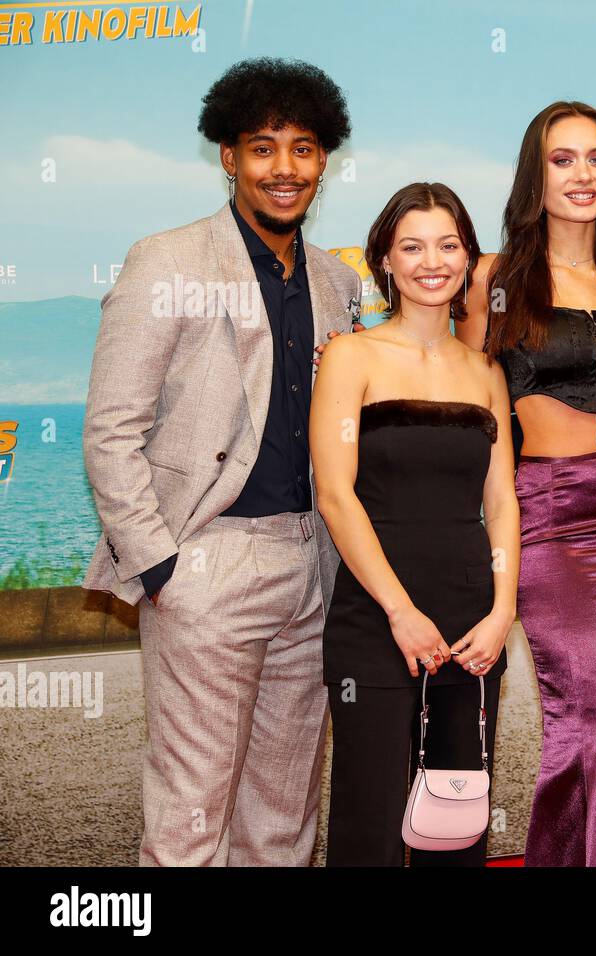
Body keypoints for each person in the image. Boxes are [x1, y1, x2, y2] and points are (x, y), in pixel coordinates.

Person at [81, 58, 359, 865]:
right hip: (206, 561)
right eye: (263, 148)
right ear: (229, 157)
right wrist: (165, 569)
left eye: (303, 150)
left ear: (323, 161)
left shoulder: (336, 280)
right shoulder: (167, 263)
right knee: (190, 818)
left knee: (284, 817)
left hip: (312, 562)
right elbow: (109, 433)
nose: (285, 168)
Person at [454, 101, 596, 867]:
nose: (582, 175)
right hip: (552, 515)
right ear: (534, 174)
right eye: (562, 159)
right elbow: (465, 408)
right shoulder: (493, 279)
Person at [312, 182, 517, 867]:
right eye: (412, 246)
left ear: (468, 258)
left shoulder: (487, 371)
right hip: (375, 621)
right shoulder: (352, 357)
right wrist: (399, 612)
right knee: (368, 825)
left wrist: (501, 615)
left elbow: (502, 503)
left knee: (455, 825)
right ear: (386, 261)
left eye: (448, 244)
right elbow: (337, 496)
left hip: (471, 629)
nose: (433, 261)